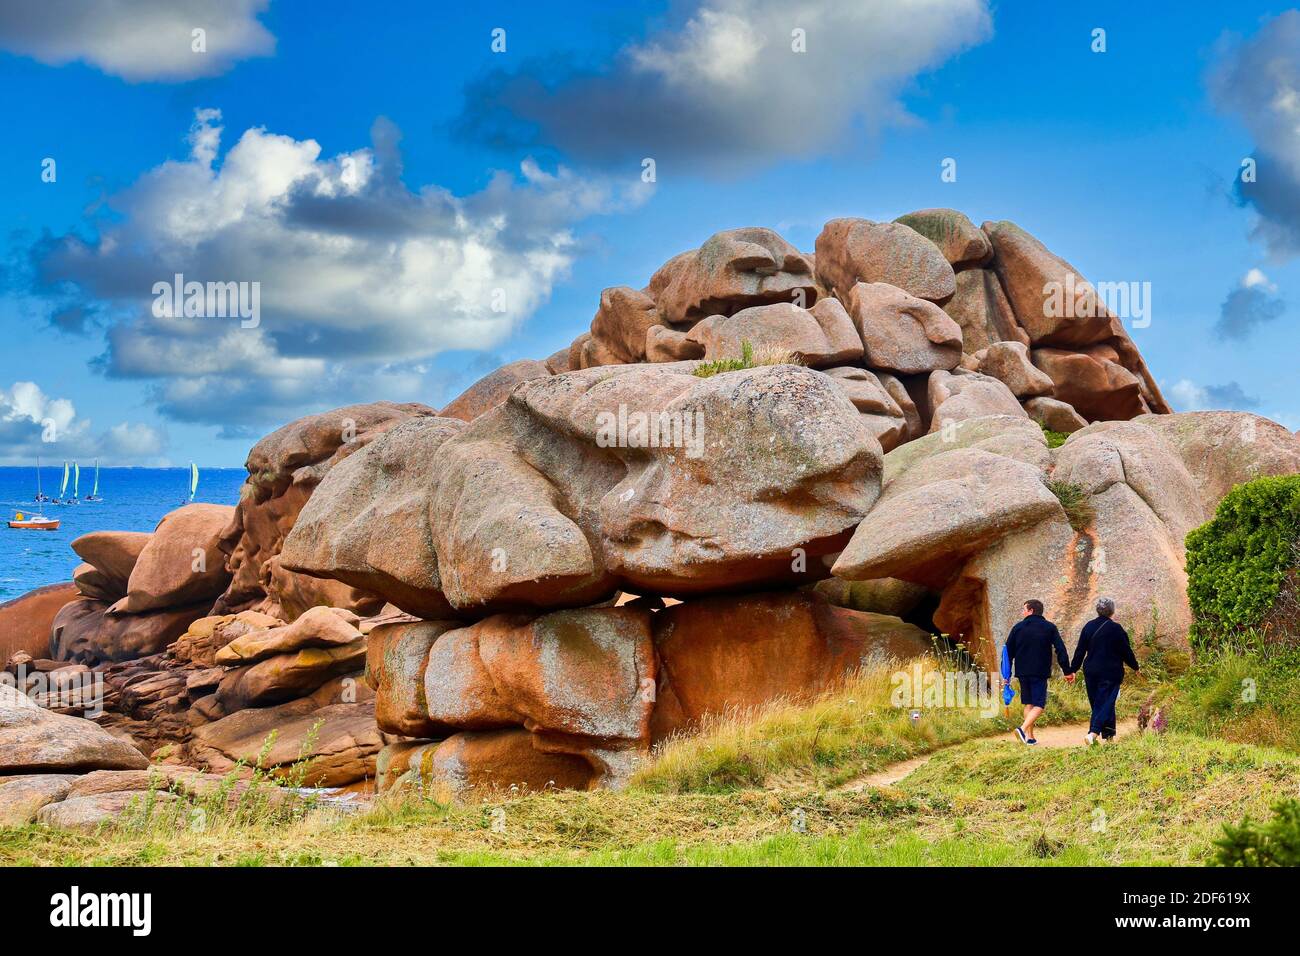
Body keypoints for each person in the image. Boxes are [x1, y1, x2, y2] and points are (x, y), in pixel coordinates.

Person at [1070, 596, 1140, 744]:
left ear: (1097, 610)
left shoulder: (1088, 626)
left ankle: (1109, 737)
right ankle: (1093, 733)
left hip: (1091, 672)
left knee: (1099, 703)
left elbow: (1080, 651)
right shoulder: (1116, 629)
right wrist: (1135, 667)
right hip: (1110, 672)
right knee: (1106, 703)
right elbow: (1126, 651)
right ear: (1112, 611)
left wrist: (1073, 669)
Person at [1003, 599, 1072, 745]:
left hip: (1022, 672)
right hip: (1040, 671)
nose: (1023, 612)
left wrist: (1006, 675)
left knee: (1029, 704)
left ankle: (1030, 738)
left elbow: (1007, 653)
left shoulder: (1018, 628)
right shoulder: (1049, 627)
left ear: (1031, 610)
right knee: (1039, 704)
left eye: (1024, 609)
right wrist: (1067, 670)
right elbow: (1060, 649)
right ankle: (1022, 729)